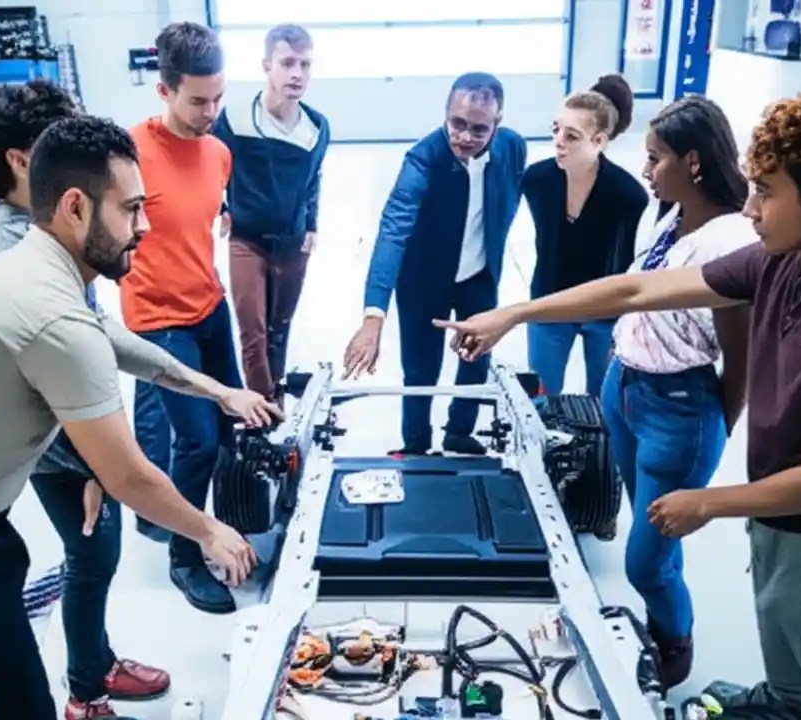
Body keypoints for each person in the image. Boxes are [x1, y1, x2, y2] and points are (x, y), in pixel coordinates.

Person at [437, 92, 801, 719]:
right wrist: (518, 312)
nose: (750, 208)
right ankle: (775, 696)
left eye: (766, 193)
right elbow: (642, 287)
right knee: (783, 637)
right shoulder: (788, 259)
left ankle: (797, 706)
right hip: (791, 504)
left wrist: (709, 502)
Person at [0, 115, 258, 720]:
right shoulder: (50, 315)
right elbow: (130, 475)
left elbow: (106, 335)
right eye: (132, 209)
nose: (144, 227)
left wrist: (213, 389)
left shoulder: (16, 263)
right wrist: (210, 532)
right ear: (76, 207)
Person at [0, 81, 278, 720]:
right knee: (0, 663)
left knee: (95, 551)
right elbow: (14, 389)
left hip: (53, 450)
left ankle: (90, 672)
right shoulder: (1, 259)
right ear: (22, 161)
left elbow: (95, 334)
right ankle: (84, 693)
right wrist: (95, 465)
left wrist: (211, 387)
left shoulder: (45, 233)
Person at [601, 95, 754, 690]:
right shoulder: (673, 216)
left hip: (678, 409)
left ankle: (675, 638)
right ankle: (659, 611)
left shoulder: (729, 241)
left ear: (693, 161)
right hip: (626, 386)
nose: (646, 170)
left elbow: (739, 358)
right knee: (650, 535)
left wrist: (718, 426)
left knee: (643, 561)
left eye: (655, 158)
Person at [123, 22, 248, 614]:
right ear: (164, 91)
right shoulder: (125, 155)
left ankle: (222, 529)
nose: (212, 111)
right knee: (195, 442)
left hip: (210, 308)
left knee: (230, 430)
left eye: (219, 97)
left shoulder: (219, 151)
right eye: (199, 100)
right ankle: (186, 555)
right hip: (156, 320)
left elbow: (205, 219)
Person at [342, 72, 527, 456]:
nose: (464, 136)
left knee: (477, 357)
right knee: (421, 369)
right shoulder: (422, 160)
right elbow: (393, 232)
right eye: (457, 123)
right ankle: (416, 443)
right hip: (423, 281)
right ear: (445, 114)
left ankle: (459, 430)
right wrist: (373, 316)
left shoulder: (512, 148)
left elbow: (510, 198)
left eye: (479, 129)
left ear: (498, 124)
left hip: (477, 275)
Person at [213, 23, 330, 402]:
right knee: (253, 330)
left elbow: (314, 178)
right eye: (287, 63)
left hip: (293, 242)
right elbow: (211, 163)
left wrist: (312, 223)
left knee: (280, 326)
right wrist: (222, 206)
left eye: (305, 65)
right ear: (267, 65)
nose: (297, 73)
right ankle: (260, 408)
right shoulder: (235, 118)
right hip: (247, 240)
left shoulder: (316, 127)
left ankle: (272, 393)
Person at [521, 74, 647, 398]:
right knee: (541, 400)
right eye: (556, 129)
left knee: (605, 400)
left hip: (603, 311)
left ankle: (601, 450)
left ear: (599, 141)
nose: (558, 141)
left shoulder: (628, 195)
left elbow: (626, 263)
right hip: (549, 304)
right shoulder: (537, 180)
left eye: (572, 136)